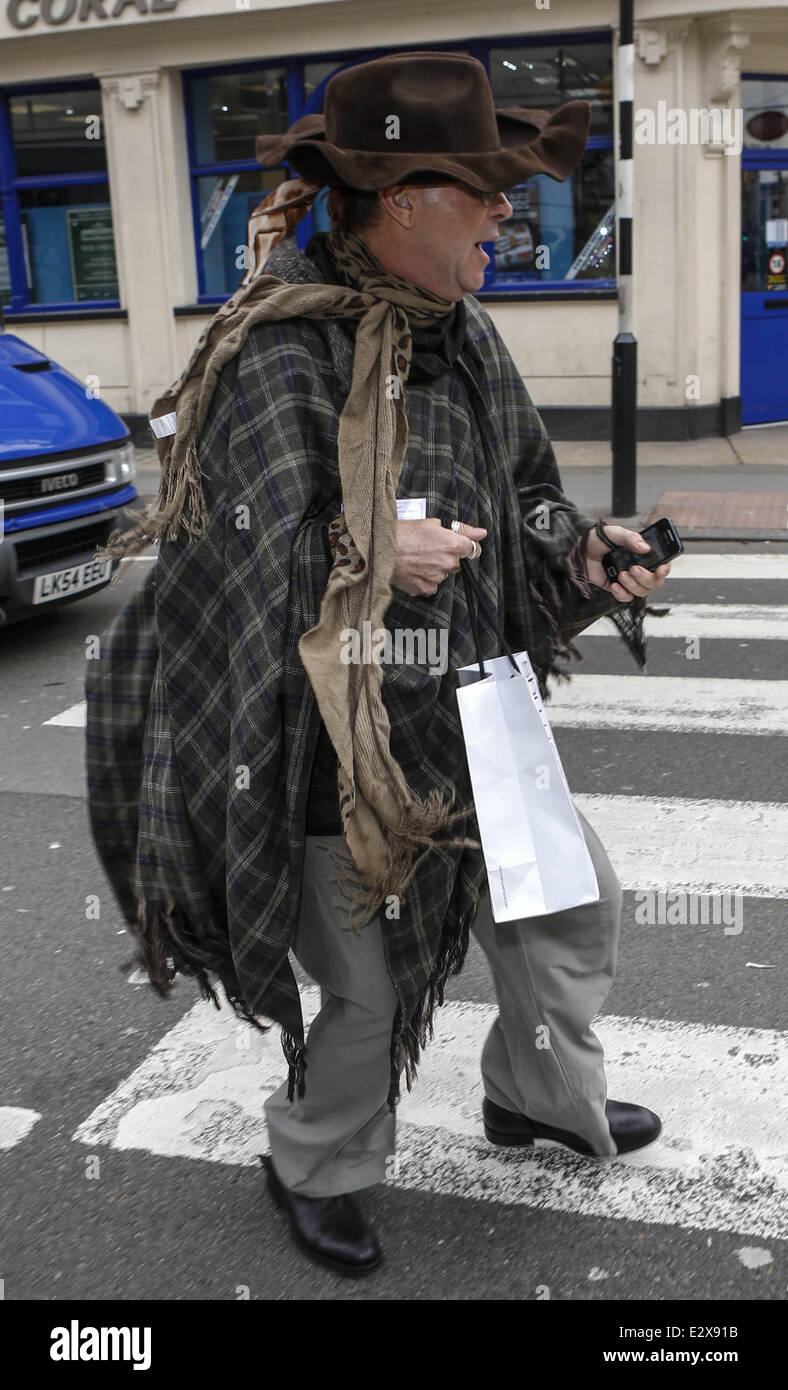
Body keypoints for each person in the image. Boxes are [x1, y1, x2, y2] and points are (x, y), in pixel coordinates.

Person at [86, 52, 671, 1282]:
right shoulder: (272, 352)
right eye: (486, 191)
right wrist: (362, 553)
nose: (507, 213)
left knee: (564, 907)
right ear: (404, 201)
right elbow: (228, 563)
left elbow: (523, 501)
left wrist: (582, 553)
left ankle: (530, 1094)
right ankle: (314, 1161)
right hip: (327, 745)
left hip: (472, 708)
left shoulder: (459, 333)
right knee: (363, 986)